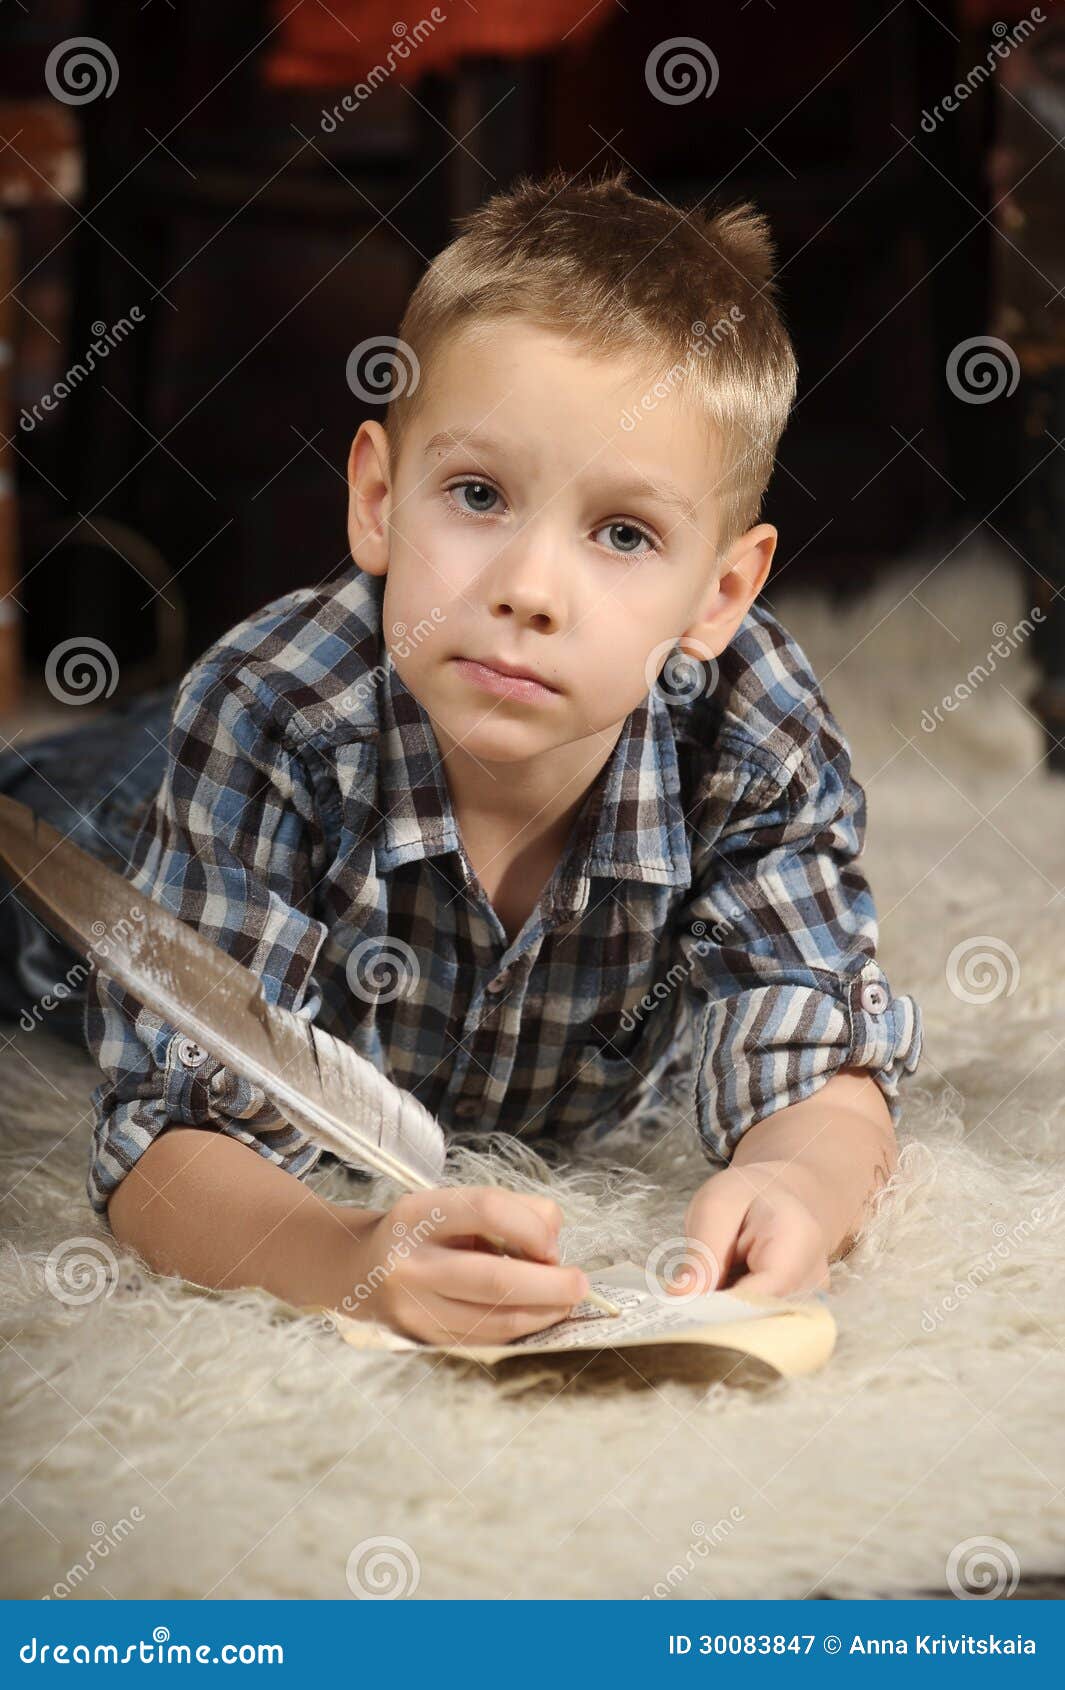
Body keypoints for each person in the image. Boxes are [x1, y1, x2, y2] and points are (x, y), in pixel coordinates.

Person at [70, 168, 921, 1342]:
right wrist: (342, 1256)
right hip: (112, 823)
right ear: (377, 497)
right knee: (71, 795)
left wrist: (798, 1183)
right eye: (477, 494)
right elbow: (165, 1139)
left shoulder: (746, 724)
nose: (527, 590)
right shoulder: (274, 713)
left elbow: (815, 1036)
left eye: (623, 533)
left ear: (720, 592)